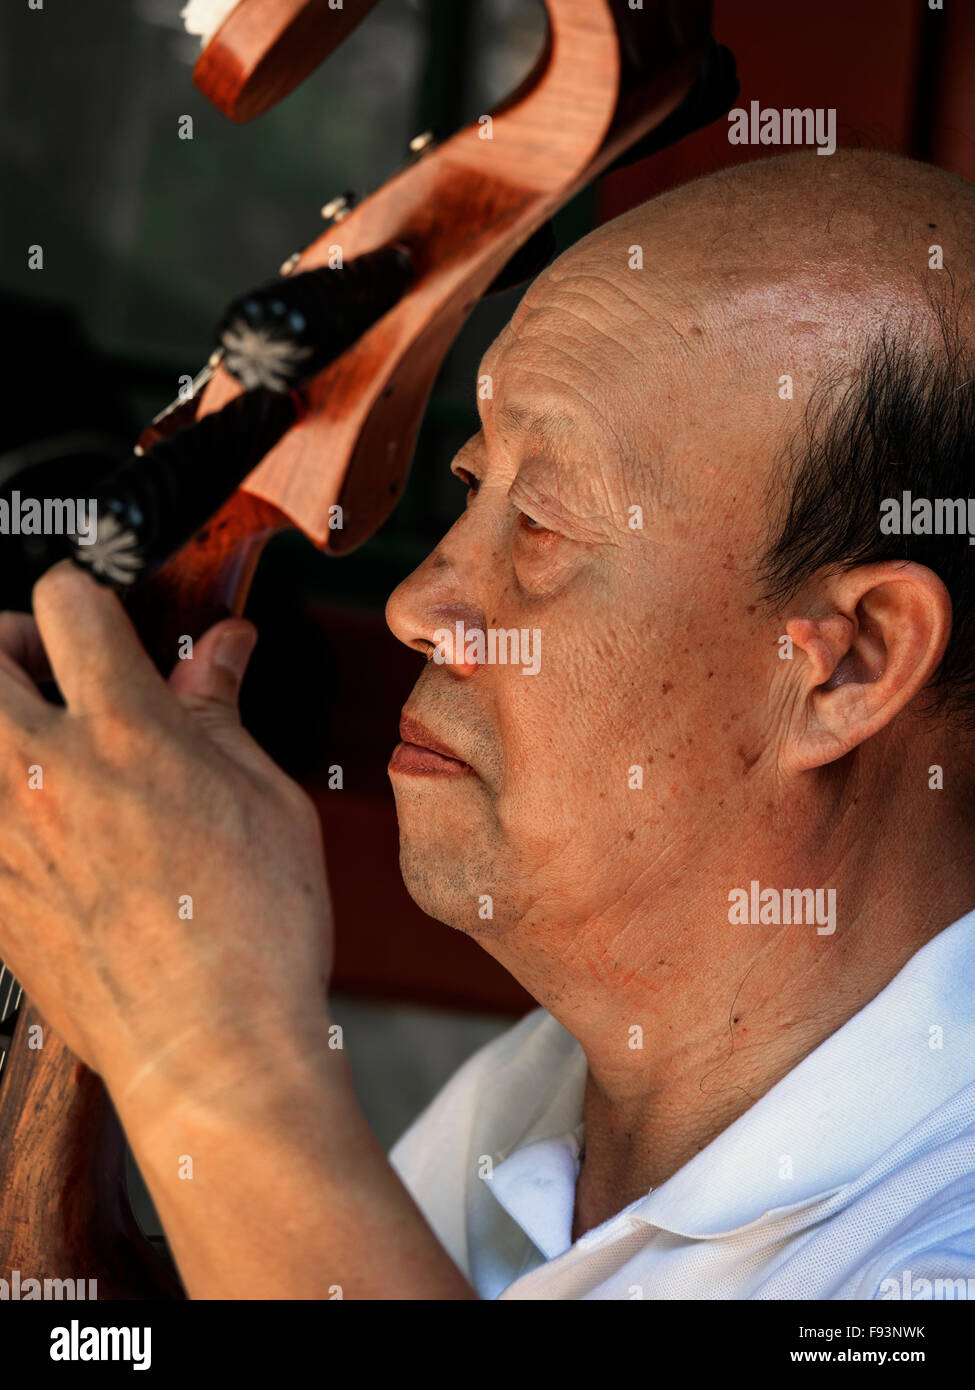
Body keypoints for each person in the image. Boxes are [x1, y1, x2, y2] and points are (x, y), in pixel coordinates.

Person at [1, 149, 974, 1300]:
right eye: (471, 486)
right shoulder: (544, 1093)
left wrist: (201, 1050)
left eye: (544, 524)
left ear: (849, 662)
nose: (422, 604)